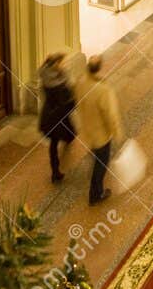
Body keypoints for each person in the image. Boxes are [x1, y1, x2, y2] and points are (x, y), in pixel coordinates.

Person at [72, 55, 123, 205]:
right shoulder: (103, 90)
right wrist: (117, 132)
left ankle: (95, 181)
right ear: (100, 67)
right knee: (102, 162)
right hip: (101, 134)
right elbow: (110, 115)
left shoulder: (80, 82)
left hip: (87, 129)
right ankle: (96, 193)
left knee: (96, 155)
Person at [37, 52, 77, 184]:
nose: (63, 64)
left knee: (53, 144)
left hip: (48, 116)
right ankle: (58, 168)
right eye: (62, 62)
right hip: (60, 117)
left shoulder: (44, 75)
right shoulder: (60, 83)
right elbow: (68, 101)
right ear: (55, 64)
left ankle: (55, 172)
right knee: (71, 134)